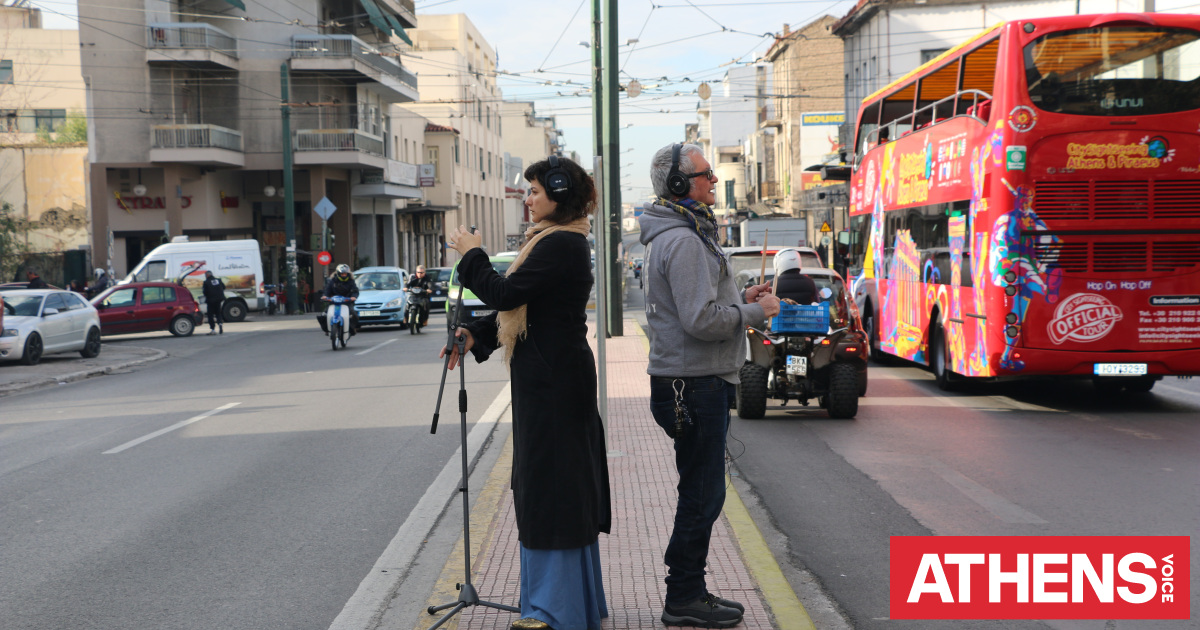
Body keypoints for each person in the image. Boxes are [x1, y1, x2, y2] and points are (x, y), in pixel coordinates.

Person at [441, 155, 611, 630]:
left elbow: (506, 294)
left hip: (555, 385)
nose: (528, 199)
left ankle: (553, 611)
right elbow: (527, 309)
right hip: (553, 380)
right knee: (549, 487)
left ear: (559, 193)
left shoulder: (561, 244)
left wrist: (472, 254)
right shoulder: (555, 240)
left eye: (535, 191)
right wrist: (476, 334)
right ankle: (560, 604)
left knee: (549, 489)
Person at [639, 142, 780, 629]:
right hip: (693, 385)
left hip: (691, 381)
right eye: (706, 174)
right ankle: (683, 596)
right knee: (702, 495)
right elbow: (699, 320)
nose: (714, 181)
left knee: (701, 492)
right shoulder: (683, 240)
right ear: (680, 183)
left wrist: (741, 298)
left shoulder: (683, 233)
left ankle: (688, 590)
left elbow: (698, 304)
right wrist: (754, 312)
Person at [322, 264, 359, 335]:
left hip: (347, 302)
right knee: (324, 314)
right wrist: (325, 296)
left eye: (345, 274)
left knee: (354, 315)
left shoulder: (351, 281)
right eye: (342, 274)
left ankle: (352, 328)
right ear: (338, 273)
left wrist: (353, 297)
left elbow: (355, 290)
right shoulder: (332, 281)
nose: (344, 275)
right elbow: (327, 290)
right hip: (334, 302)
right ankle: (327, 329)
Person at [201, 271, 226, 335]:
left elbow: (205, 292)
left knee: (210, 315)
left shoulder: (206, 282)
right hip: (219, 300)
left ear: (207, 275)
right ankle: (220, 324)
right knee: (218, 313)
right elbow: (224, 287)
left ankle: (213, 329)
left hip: (211, 301)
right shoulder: (218, 280)